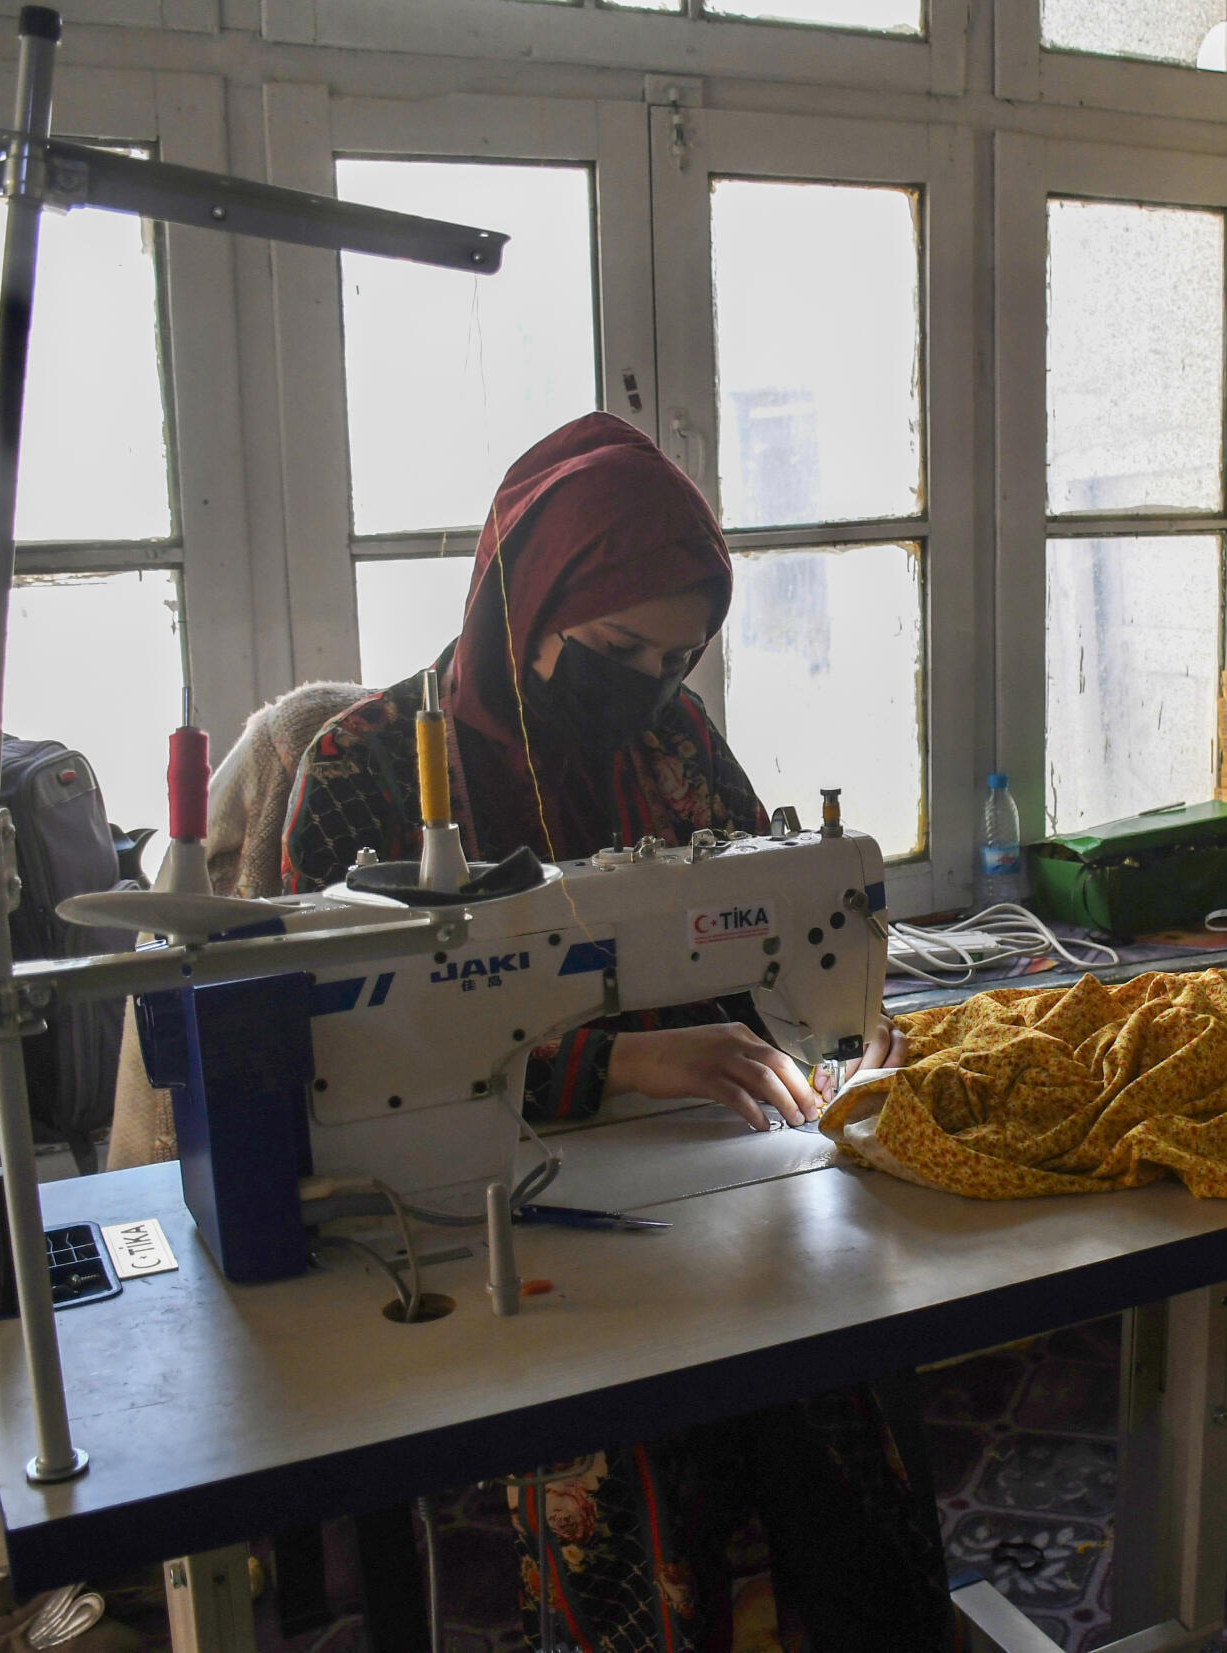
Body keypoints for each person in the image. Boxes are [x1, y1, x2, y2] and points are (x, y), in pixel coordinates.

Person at [282, 412, 947, 1652]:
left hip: (704, 1161)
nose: (648, 685)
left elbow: (783, 922)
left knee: (846, 1366)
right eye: (619, 646)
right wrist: (614, 1058)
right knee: (636, 1432)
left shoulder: (671, 737)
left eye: (679, 656)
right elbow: (333, 1048)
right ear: (523, 598)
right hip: (459, 1202)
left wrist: (847, 1027)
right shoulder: (360, 775)